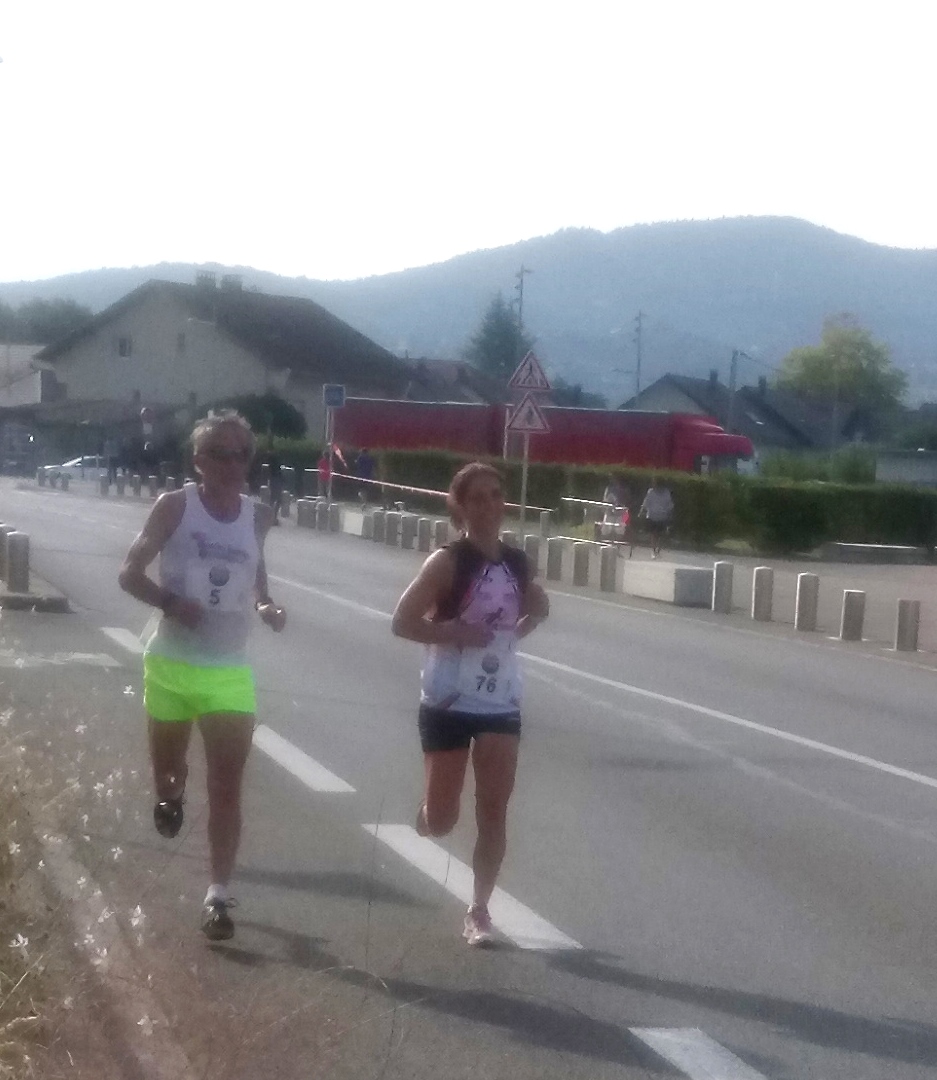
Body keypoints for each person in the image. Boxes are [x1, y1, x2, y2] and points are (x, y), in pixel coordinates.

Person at [118, 410, 286, 941]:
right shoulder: (175, 507)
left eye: (242, 454)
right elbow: (129, 573)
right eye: (221, 453)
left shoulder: (257, 515)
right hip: (170, 663)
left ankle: (217, 896)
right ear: (199, 461)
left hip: (228, 670)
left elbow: (257, 578)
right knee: (170, 774)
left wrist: (265, 606)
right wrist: (170, 602)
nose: (234, 464)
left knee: (227, 786)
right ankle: (169, 796)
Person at [391, 462, 549, 946]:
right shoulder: (447, 563)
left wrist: (522, 628)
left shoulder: (518, 563)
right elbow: (402, 622)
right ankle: (427, 813)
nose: (489, 505)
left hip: (501, 700)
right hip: (448, 700)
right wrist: (454, 632)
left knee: (494, 808)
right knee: (443, 819)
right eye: (477, 497)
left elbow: (534, 607)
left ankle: (479, 909)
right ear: (459, 506)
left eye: (496, 495)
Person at [639, 475, 674, 559]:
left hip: (662, 516)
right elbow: (646, 502)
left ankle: (657, 550)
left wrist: (669, 513)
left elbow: (669, 504)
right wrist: (641, 511)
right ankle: (653, 551)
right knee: (653, 534)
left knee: (661, 534)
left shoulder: (666, 492)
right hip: (652, 515)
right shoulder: (650, 491)